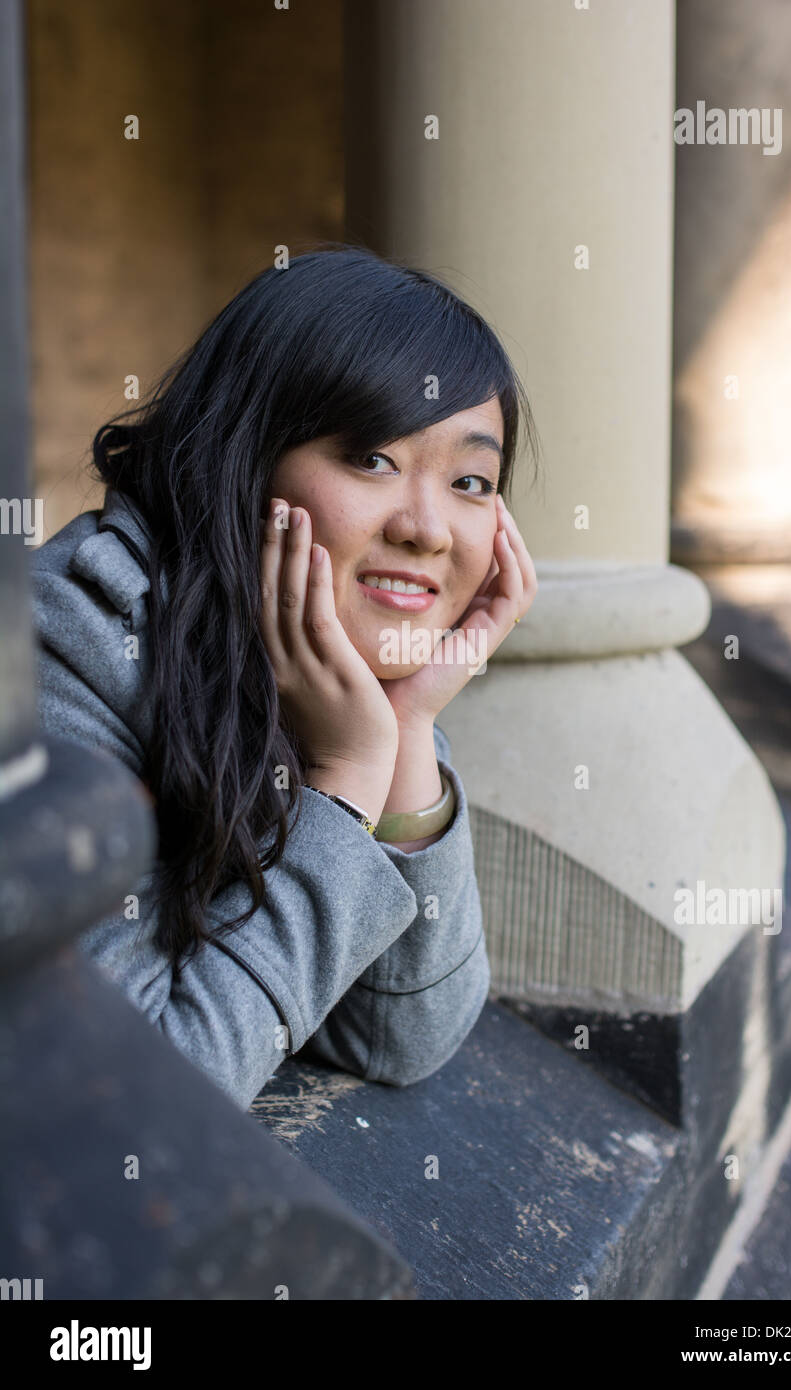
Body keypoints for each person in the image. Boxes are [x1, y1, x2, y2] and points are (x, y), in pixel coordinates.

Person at [29, 244, 539, 1112]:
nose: (428, 528)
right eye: (372, 459)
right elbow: (150, 1100)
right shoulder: (67, 645)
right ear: (245, 452)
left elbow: (402, 1036)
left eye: (470, 481)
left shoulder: (326, 668)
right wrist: (342, 787)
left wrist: (405, 733)